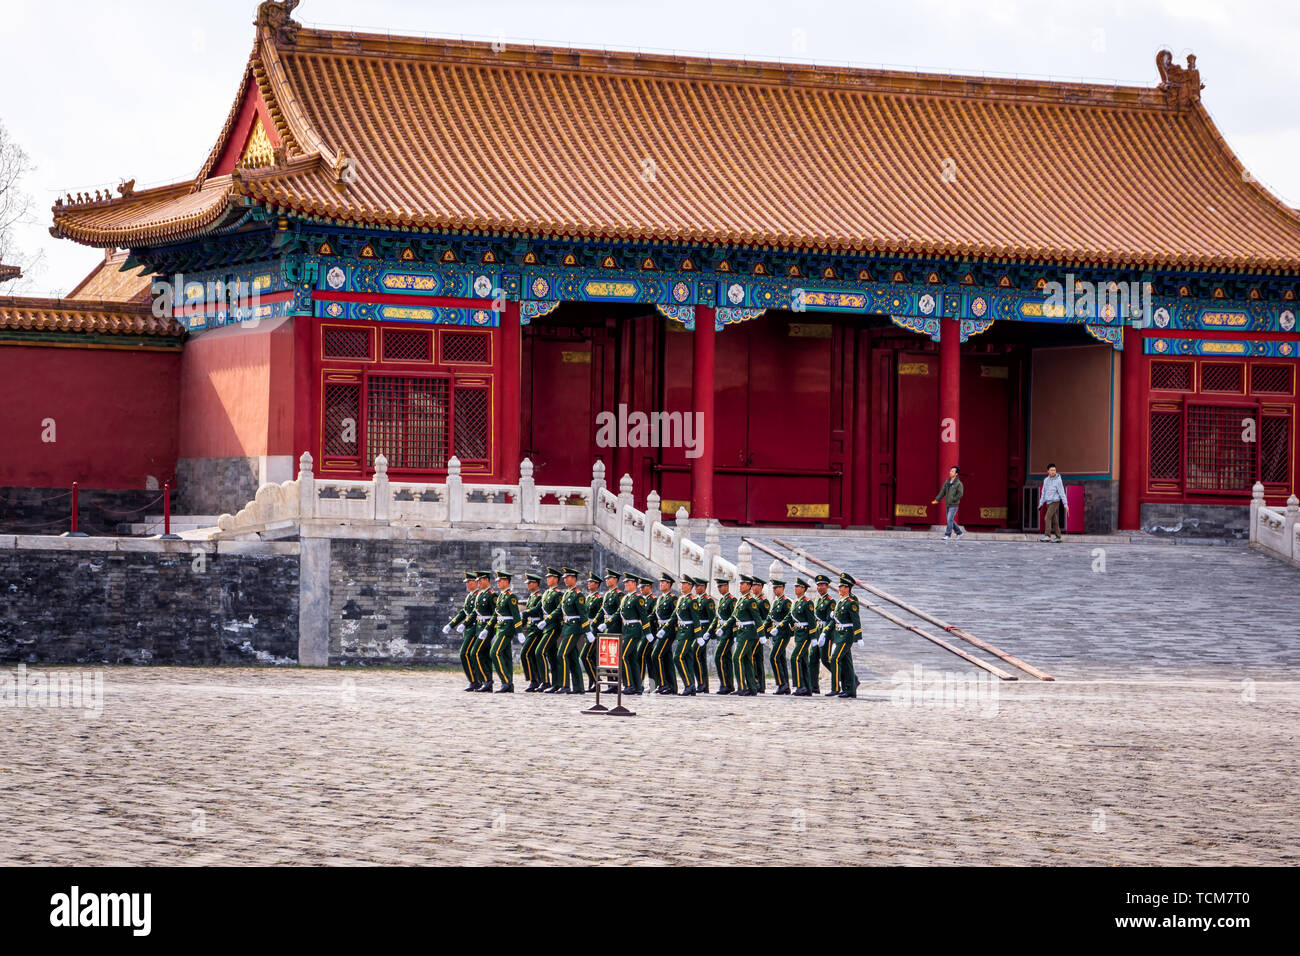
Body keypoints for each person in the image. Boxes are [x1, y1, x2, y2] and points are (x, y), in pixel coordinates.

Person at [443, 570, 483, 691]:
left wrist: (464, 624)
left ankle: (476, 680)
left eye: (470, 581)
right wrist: (451, 625)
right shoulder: (470, 596)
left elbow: (475, 614)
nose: (468, 584)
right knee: (468, 655)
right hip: (468, 629)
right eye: (467, 582)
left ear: (476, 582)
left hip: (474, 628)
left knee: (465, 653)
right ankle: (474, 680)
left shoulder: (478, 595)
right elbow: (463, 612)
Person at [554, 568, 590, 695]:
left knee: (561, 654)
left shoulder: (578, 595)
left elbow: (583, 614)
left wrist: (587, 631)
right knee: (573, 657)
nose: (564, 579)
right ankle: (579, 687)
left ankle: (565, 685)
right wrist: (546, 621)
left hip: (574, 628)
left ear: (574, 579)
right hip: (567, 627)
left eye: (567, 577)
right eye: (564, 577)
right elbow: (559, 610)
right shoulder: (567, 594)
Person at [828, 572, 862, 699]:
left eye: (841, 586)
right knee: (847, 663)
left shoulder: (851, 602)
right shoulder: (840, 601)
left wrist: (858, 637)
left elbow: (856, 620)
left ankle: (835, 688)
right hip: (839, 634)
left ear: (847, 588)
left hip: (846, 635)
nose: (839, 588)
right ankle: (850, 689)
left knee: (835, 658)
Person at [487, 571, 522, 692]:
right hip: (500, 627)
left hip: (507, 629)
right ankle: (509, 685)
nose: (498, 582)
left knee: (494, 652)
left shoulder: (510, 596)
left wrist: (519, 631)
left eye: (500, 580)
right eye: (497, 580)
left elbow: (516, 615)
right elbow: (496, 614)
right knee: (506, 657)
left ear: (507, 581)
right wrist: (487, 628)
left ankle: (505, 681)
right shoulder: (501, 595)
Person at [787, 578, 818, 696]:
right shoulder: (795, 602)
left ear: (803, 589)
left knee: (795, 658)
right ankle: (808, 688)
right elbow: (791, 617)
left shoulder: (807, 602)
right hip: (798, 633)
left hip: (805, 635)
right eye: (795, 586)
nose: (795, 589)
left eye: (798, 587)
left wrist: (813, 637)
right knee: (804, 661)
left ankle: (800, 686)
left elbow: (812, 621)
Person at [536, 567, 563, 692]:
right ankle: (556, 683)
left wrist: (547, 621)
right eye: (547, 577)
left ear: (556, 579)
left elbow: (559, 610)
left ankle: (545, 681)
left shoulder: (558, 594)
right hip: (546, 627)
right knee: (551, 655)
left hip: (552, 626)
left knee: (539, 651)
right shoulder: (547, 592)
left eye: (550, 577)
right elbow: (539, 608)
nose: (547, 579)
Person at [672, 576, 700, 696]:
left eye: (685, 584)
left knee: (677, 657)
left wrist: (699, 635)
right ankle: (691, 687)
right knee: (688, 659)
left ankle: (688, 684)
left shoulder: (692, 600)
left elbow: (696, 619)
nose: (682, 586)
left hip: (688, 633)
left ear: (690, 586)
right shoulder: (681, 599)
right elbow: (675, 616)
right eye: (682, 583)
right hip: (682, 631)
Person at [766, 579, 793, 695]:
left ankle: (782, 684)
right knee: (780, 659)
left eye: (776, 587)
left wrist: (780, 627)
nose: (774, 590)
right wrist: (763, 630)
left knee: (774, 657)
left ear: (782, 588)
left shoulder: (786, 602)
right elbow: (770, 617)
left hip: (783, 633)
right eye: (773, 588)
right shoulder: (775, 602)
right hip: (775, 633)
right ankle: (786, 686)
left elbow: (790, 616)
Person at [520, 572, 545, 691]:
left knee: (525, 653)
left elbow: (536, 609)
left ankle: (534, 680)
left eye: (530, 582)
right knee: (531, 655)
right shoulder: (531, 596)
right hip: (530, 628)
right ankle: (536, 679)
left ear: (536, 583)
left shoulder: (540, 596)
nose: (528, 585)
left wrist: (524, 613)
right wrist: (520, 627)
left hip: (536, 628)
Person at [712, 577, 737, 695]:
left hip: (727, 633)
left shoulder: (732, 600)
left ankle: (724, 684)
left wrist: (726, 629)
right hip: (721, 632)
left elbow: (734, 617)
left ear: (727, 586)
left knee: (719, 656)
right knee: (726, 659)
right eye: (718, 586)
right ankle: (729, 685)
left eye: (721, 586)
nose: (719, 588)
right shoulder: (722, 600)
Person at [812, 574, 835, 695]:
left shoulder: (830, 601)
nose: (820, 587)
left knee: (826, 659)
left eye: (822, 585)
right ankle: (814, 686)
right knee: (813, 658)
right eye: (818, 585)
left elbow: (831, 620)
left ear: (827, 586)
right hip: (817, 631)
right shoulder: (818, 600)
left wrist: (825, 633)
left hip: (826, 633)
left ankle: (848, 679)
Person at [692, 577, 715, 693]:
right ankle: (704, 685)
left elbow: (712, 618)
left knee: (695, 653)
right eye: (695, 586)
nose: (696, 588)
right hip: (698, 631)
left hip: (704, 631)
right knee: (700, 657)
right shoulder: (696, 600)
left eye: (698, 586)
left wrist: (709, 633)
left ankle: (701, 683)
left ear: (704, 587)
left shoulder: (708, 600)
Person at [582, 572, 604, 691]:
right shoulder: (588, 598)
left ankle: (596, 681)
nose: (589, 584)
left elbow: (601, 614)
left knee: (585, 656)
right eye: (588, 582)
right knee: (591, 657)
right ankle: (593, 683)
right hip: (587, 629)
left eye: (592, 582)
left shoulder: (598, 599)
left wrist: (593, 626)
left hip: (594, 630)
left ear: (597, 584)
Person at [932, 465, 965, 540]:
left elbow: (960, 494)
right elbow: (942, 492)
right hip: (948, 504)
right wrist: (937, 499)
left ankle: (948, 535)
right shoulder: (947, 482)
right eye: (950, 471)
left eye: (952, 471)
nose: (950, 472)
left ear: (956, 474)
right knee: (950, 520)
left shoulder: (959, 483)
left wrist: (953, 499)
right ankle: (959, 533)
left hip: (954, 504)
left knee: (949, 519)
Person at [1038, 463, 1067, 543]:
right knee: (1054, 520)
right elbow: (1043, 492)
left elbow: (1062, 493)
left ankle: (1047, 536)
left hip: (1055, 502)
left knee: (1047, 517)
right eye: (1051, 470)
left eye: (1054, 470)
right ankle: (1058, 537)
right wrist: (1041, 503)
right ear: (1048, 471)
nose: (1053, 472)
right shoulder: (1046, 480)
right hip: (1048, 502)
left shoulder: (1058, 480)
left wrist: (1065, 504)